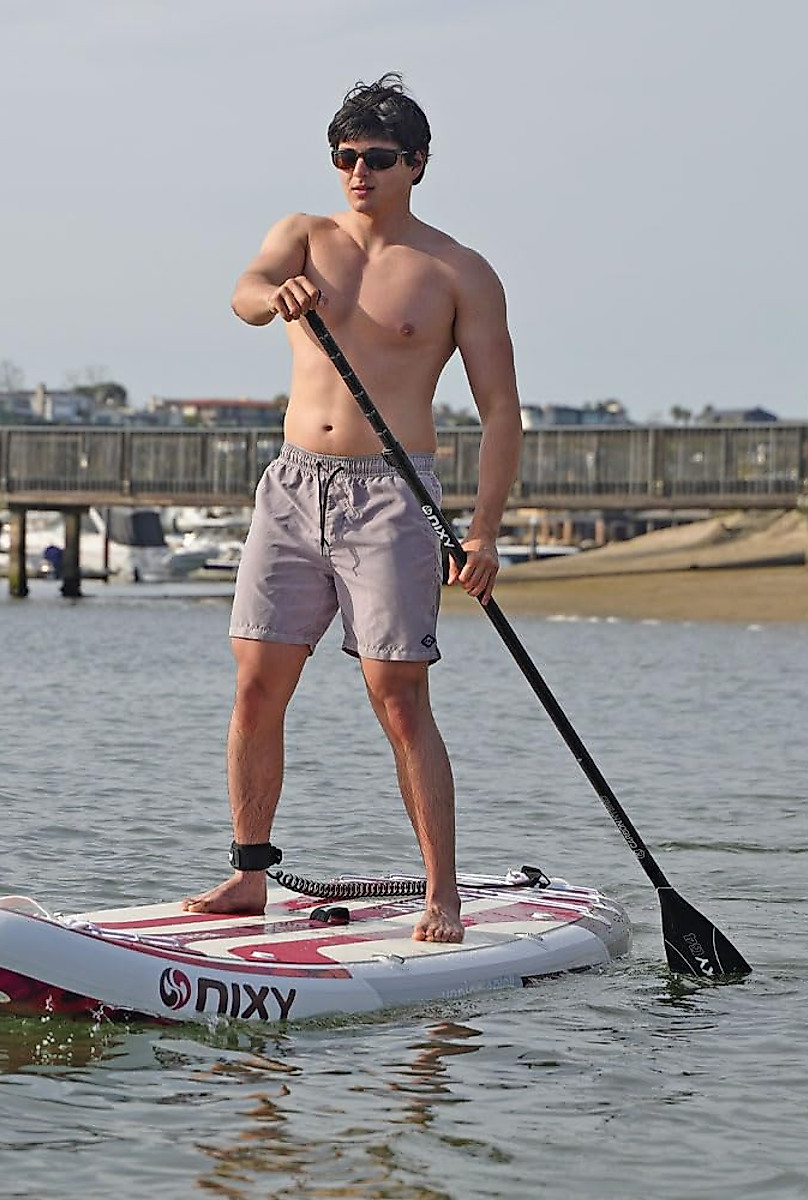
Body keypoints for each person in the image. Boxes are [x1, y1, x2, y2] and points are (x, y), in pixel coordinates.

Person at [183, 73, 522, 943]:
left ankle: (442, 894)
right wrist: (275, 297)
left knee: (398, 695)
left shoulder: (458, 271)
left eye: (376, 157)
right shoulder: (303, 236)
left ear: (418, 164)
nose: (358, 172)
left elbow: (500, 414)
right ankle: (248, 875)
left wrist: (483, 532)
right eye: (344, 156)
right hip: (293, 486)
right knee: (256, 682)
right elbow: (245, 291)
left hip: (393, 495)